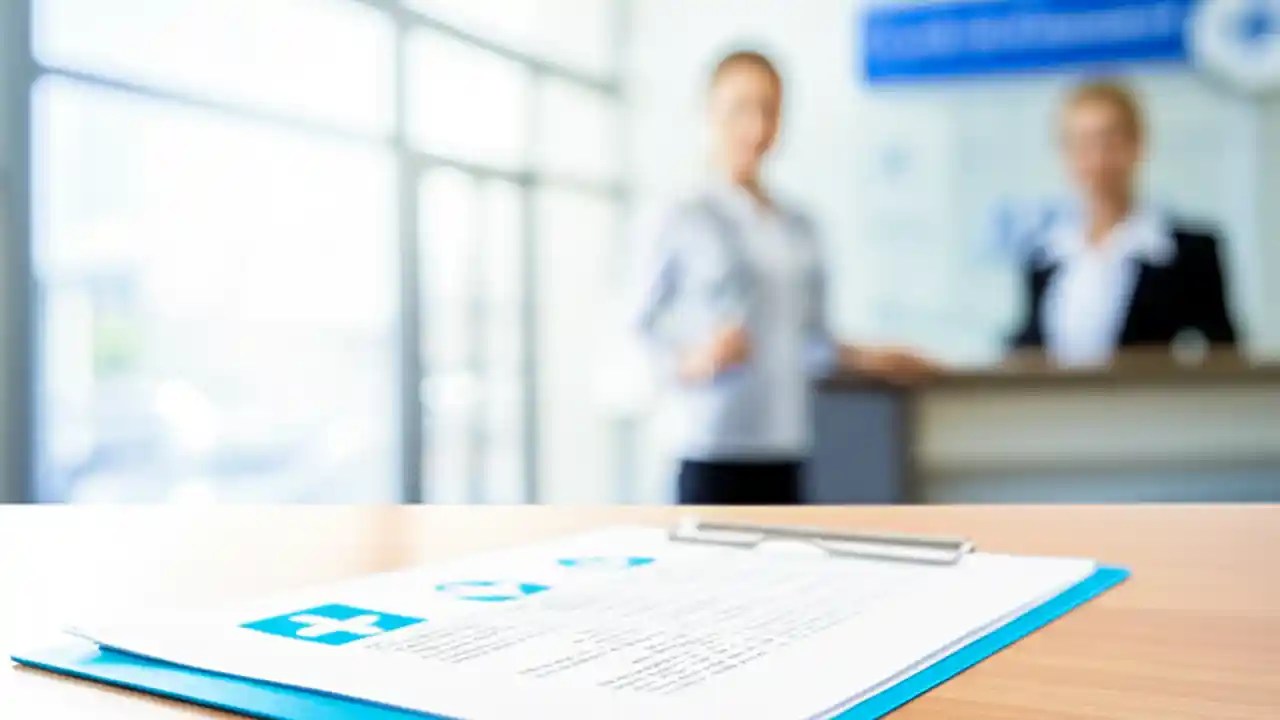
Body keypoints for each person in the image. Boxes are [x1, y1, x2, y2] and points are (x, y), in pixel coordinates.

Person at [634, 50, 934, 506]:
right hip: (708, 447)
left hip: (784, 444)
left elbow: (810, 342)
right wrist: (693, 360)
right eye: (739, 108)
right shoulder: (680, 215)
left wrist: (872, 358)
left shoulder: (799, 225)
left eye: (768, 109)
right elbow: (631, 336)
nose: (755, 127)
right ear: (708, 112)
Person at [1010, 80, 1239, 366]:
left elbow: (1221, 355)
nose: (1097, 159)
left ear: (1137, 144)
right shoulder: (1045, 257)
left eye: (1109, 140)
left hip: (1157, 407)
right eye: (1081, 143)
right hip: (1060, 410)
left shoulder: (1190, 253)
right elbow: (1029, 350)